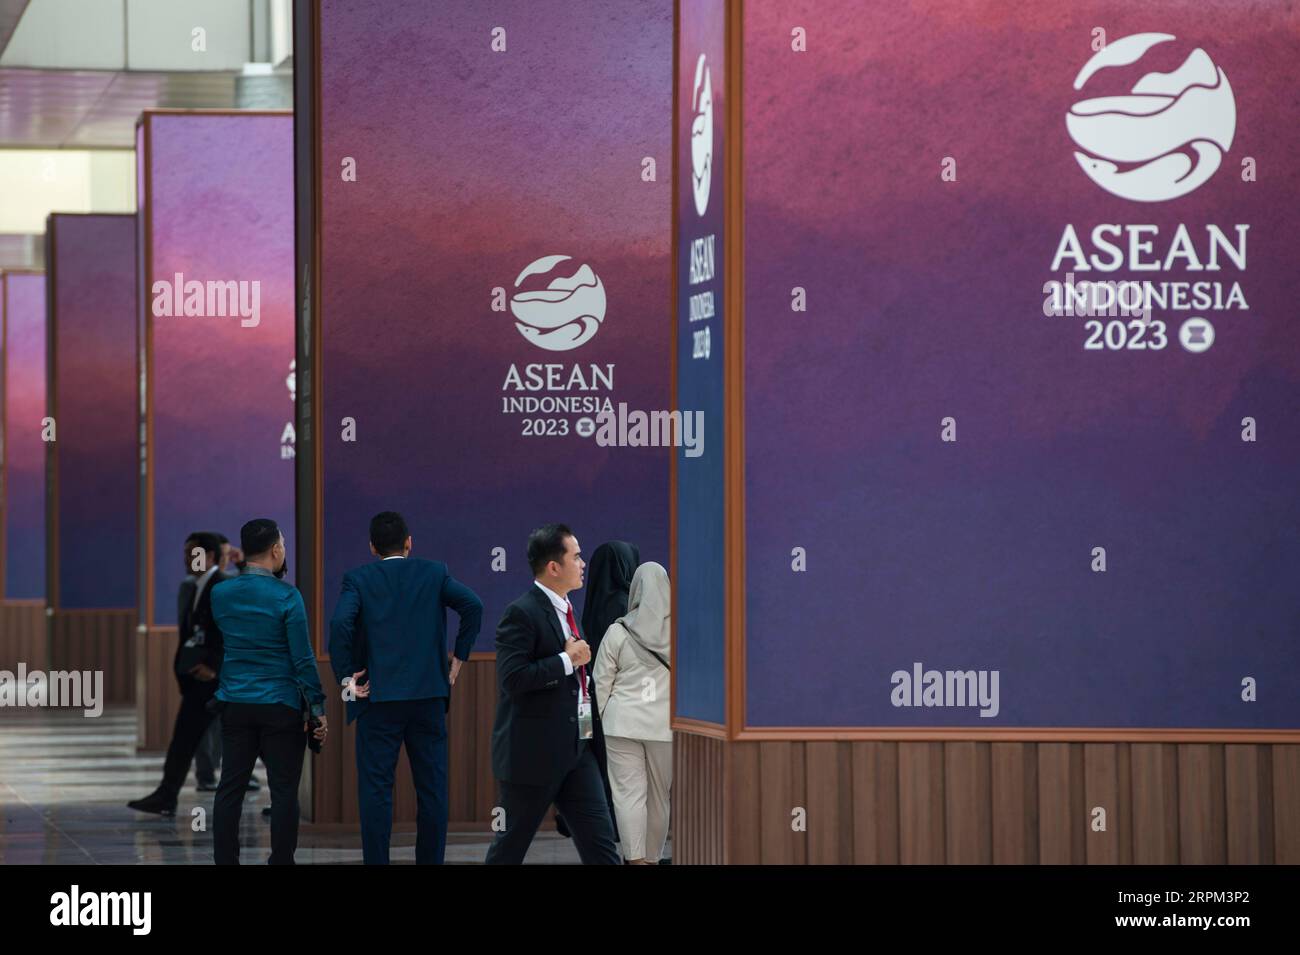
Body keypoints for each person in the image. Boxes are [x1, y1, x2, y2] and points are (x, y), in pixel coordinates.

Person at [328, 511, 483, 864]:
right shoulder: (433, 572)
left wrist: (347, 678)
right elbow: (473, 604)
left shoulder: (358, 579)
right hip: (428, 697)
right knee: (432, 791)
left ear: (372, 547)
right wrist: (459, 656)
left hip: (379, 699)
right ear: (409, 542)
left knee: (376, 790)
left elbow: (340, 624)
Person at [484, 524, 619, 865]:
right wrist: (565, 660)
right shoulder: (521, 612)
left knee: (602, 848)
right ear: (553, 567)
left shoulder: (569, 610)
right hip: (533, 755)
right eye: (576, 556)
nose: (583, 563)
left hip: (578, 749)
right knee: (508, 850)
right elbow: (512, 679)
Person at [210, 519, 326, 865]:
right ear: (276, 550)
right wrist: (317, 707)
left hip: (235, 703)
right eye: (283, 545)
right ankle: (280, 860)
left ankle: (226, 861)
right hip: (280, 705)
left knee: (230, 788)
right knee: (284, 790)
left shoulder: (220, 594)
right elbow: (302, 658)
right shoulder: (288, 596)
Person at [128, 531, 233, 815]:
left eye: (193, 553)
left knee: (191, 737)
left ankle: (167, 795)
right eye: (186, 553)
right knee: (185, 738)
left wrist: (214, 665)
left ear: (210, 556)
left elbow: (229, 629)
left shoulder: (222, 585)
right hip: (199, 680)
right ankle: (166, 795)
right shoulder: (196, 586)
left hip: (215, 680)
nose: (187, 559)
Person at [592, 561, 673, 864]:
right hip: (664, 728)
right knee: (659, 798)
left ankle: (635, 860)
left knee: (628, 797)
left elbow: (600, 683)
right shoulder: (680, 633)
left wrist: (600, 723)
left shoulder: (618, 630)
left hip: (622, 725)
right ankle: (653, 858)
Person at [561, 540, 639, 840]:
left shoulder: (590, 603)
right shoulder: (624, 605)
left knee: (598, 761)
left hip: (590, 699)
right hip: (621, 700)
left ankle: (589, 823)